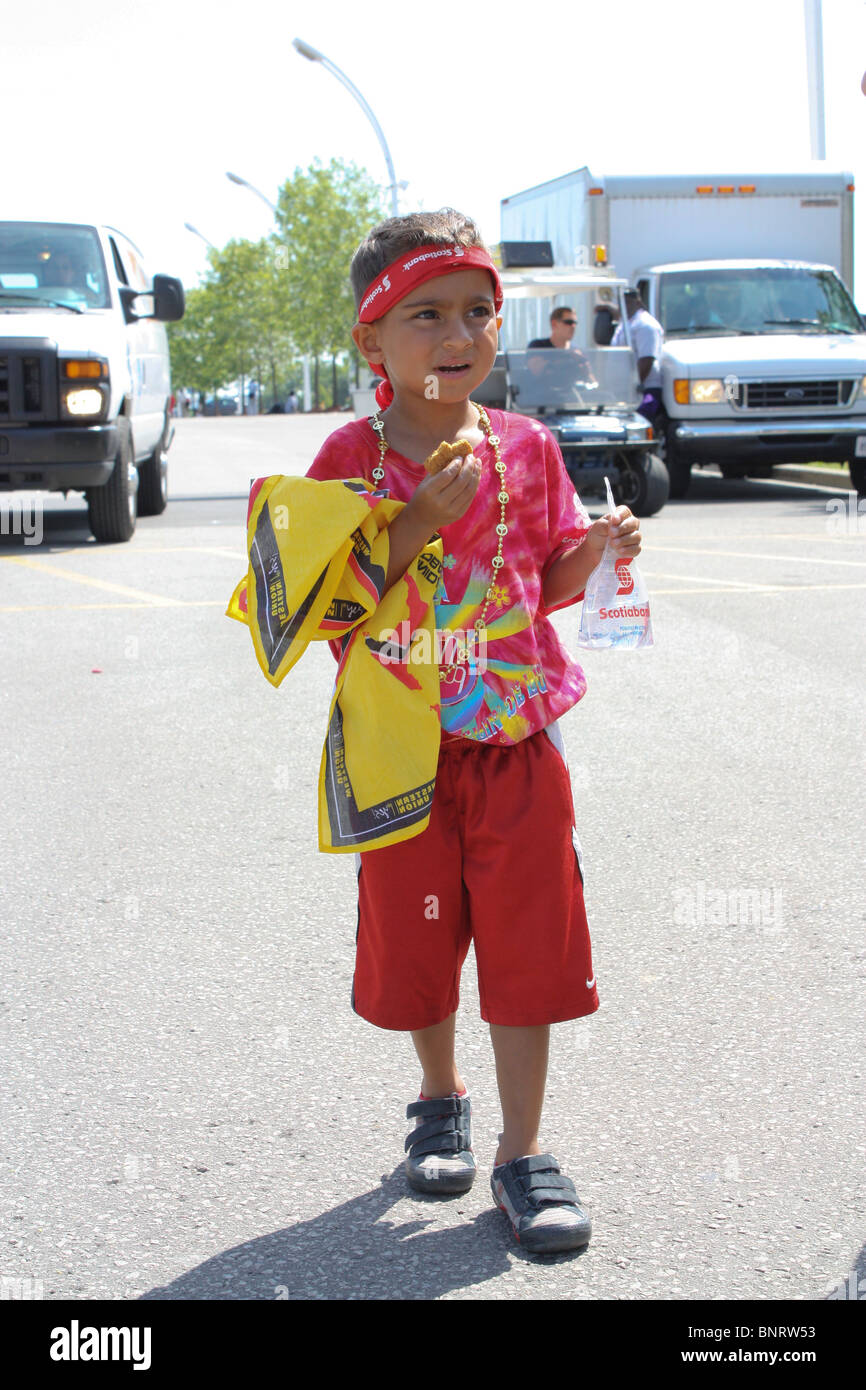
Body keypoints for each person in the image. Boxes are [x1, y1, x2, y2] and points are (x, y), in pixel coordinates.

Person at [237, 208, 642, 1256]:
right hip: (399, 749)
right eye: (426, 316)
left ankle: (522, 1152)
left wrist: (593, 551)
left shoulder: (528, 446)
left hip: (515, 746)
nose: (457, 336)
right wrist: (411, 520)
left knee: (529, 944)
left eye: (477, 312)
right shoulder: (342, 457)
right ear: (371, 341)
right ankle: (437, 1092)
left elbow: (537, 588)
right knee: (417, 941)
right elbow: (310, 612)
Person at [611, 287, 664, 421]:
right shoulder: (626, 322)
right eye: (621, 302)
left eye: (628, 302)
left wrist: (633, 386)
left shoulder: (645, 324)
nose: (624, 306)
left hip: (644, 390)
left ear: (638, 302)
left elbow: (646, 359)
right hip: (625, 391)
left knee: (638, 424)